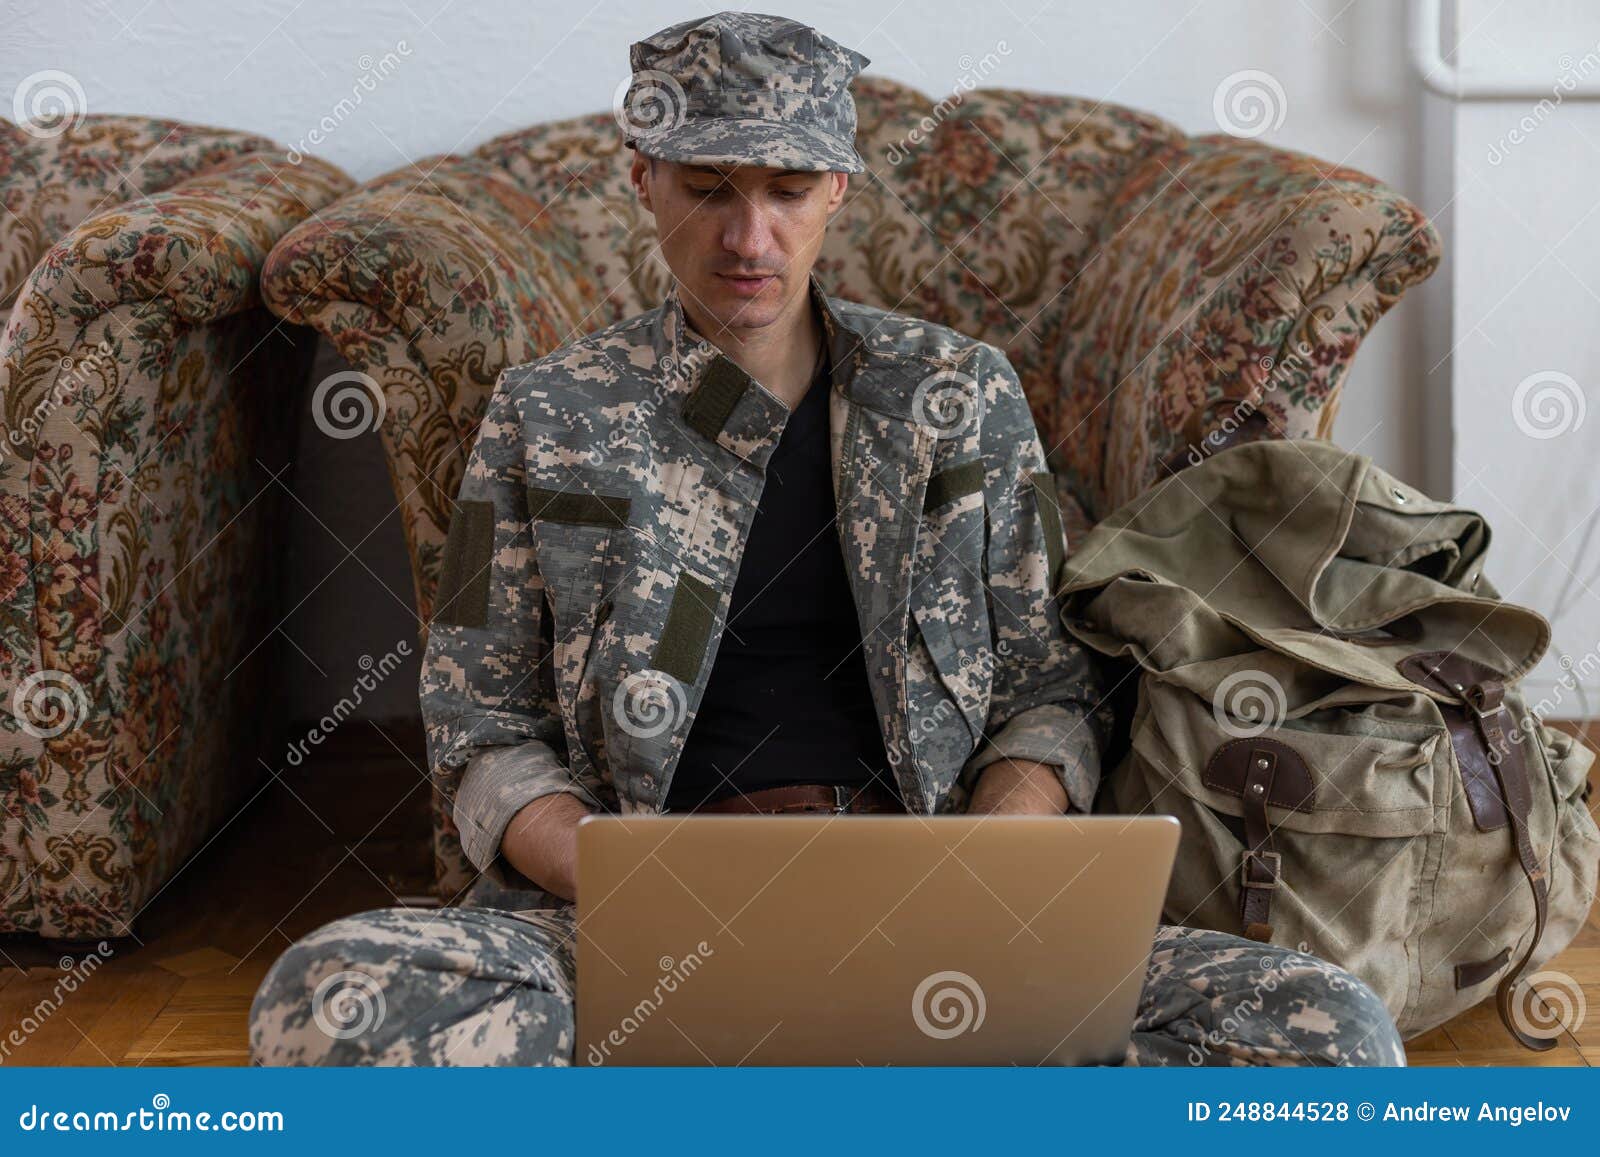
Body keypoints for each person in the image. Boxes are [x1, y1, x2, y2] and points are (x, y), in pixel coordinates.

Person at [249, 10, 1404, 1068]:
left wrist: (985, 863)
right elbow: (483, 729)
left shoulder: (958, 394)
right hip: (635, 914)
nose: (749, 235)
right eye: (707, 186)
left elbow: (1053, 692)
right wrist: (620, 876)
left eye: (789, 188)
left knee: (1328, 1032)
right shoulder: (550, 414)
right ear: (642, 180)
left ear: (839, 190)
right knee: (327, 999)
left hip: (934, 906)